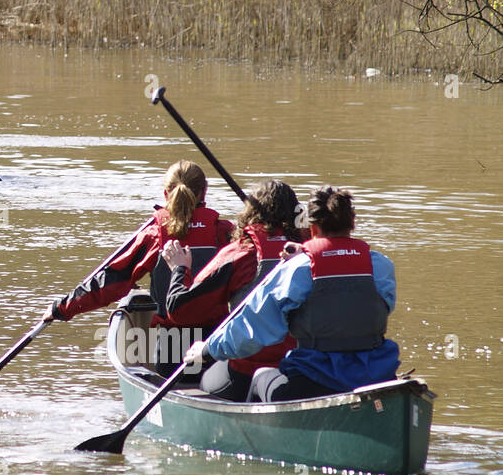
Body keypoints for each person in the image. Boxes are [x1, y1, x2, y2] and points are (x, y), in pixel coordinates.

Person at [182, 186, 399, 402]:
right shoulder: (381, 266)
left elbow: (254, 325)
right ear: (352, 223)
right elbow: (372, 307)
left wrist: (208, 349)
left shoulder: (297, 269)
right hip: (377, 376)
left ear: (312, 228)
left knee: (261, 375)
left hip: (314, 382)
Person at [156, 180, 303, 398]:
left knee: (206, 378)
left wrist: (180, 269)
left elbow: (179, 311)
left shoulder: (238, 253)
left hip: (245, 370)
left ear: (250, 212)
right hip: (299, 367)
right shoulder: (307, 253)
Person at [44, 160, 234, 323]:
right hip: (217, 337)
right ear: (204, 191)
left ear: (166, 194)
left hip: (171, 340)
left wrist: (61, 307)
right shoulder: (226, 232)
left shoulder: (154, 235)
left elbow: (111, 283)